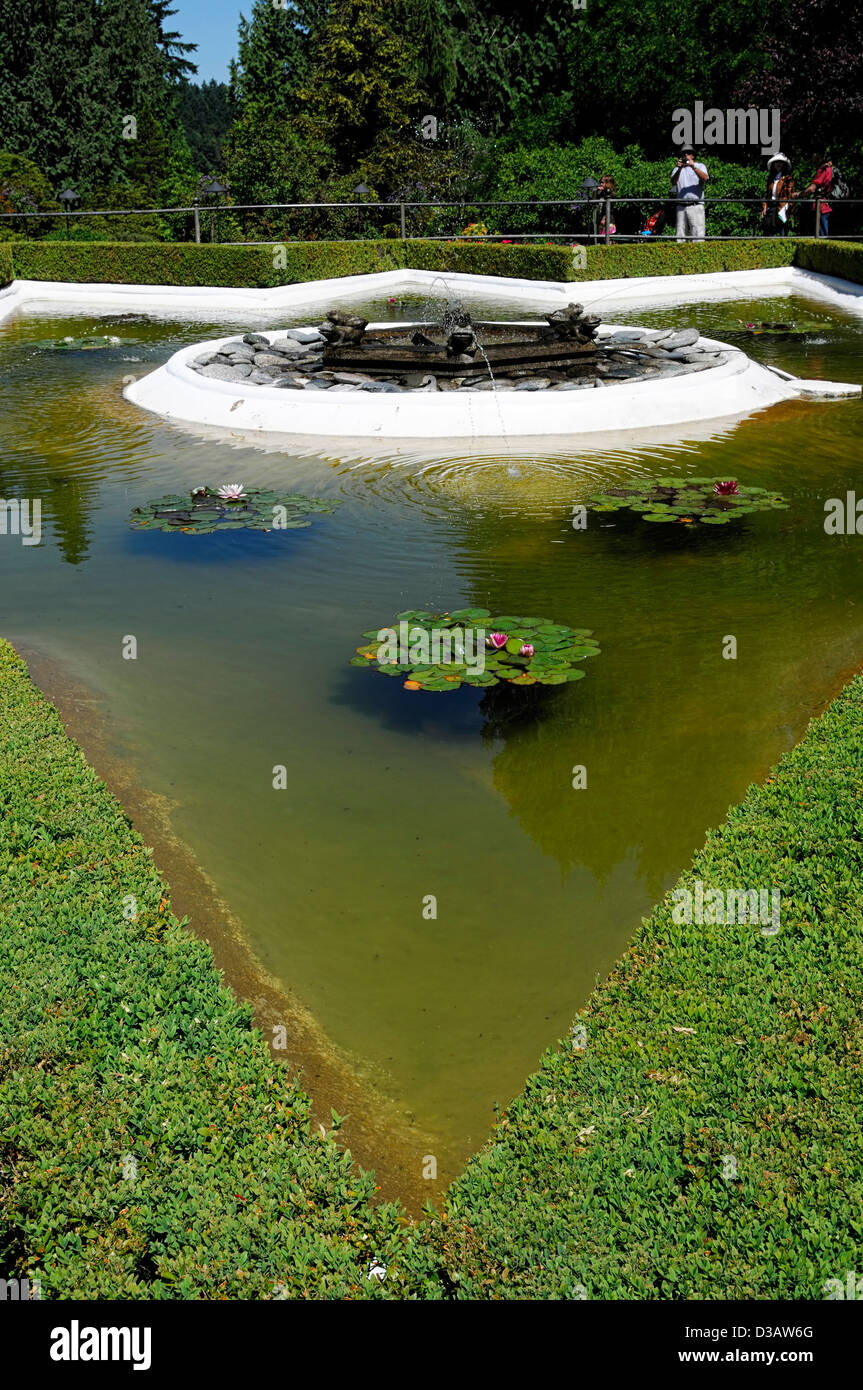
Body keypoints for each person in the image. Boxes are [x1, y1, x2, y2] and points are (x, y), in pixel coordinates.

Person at [671, 146, 709, 241]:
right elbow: (673, 182)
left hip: (696, 206)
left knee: (698, 236)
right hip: (681, 207)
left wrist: (693, 167)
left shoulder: (700, 166)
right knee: (680, 236)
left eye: (688, 153)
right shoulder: (677, 169)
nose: (685, 155)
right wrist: (679, 168)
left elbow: (705, 178)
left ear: (693, 156)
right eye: (683, 154)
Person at [762, 153, 794, 236]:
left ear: (784, 165)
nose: (778, 164)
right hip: (771, 206)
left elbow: (789, 194)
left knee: (782, 230)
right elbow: (767, 194)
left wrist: (789, 208)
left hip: (781, 207)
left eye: (780, 162)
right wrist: (764, 206)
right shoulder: (771, 178)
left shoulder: (788, 178)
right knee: (768, 230)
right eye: (776, 162)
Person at [805, 156, 833, 236]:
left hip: (822, 206)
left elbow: (813, 188)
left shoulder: (823, 169)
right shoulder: (827, 167)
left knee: (822, 234)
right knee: (821, 233)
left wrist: (798, 194)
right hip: (823, 205)